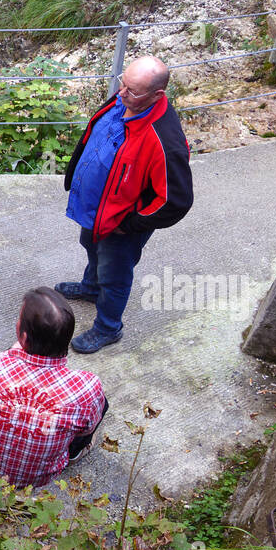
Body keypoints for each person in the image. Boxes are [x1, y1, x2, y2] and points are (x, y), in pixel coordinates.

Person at [57, 55, 193, 353]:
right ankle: (91, 288)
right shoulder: (127, 101)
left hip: (120, 222)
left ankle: (108, 327)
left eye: (132, 90)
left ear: (158, 95)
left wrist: (129, 224)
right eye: (123, 84)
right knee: (90, 245)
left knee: (115, 274)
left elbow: (177, 201)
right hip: (97, 208)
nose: (121, 93)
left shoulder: (164, 140)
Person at [0, 288, 107, 486]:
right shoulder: (87, 388)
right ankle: (74, 453)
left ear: (22, 337)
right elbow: (85, 429)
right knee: (101, 404)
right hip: (41, 477)